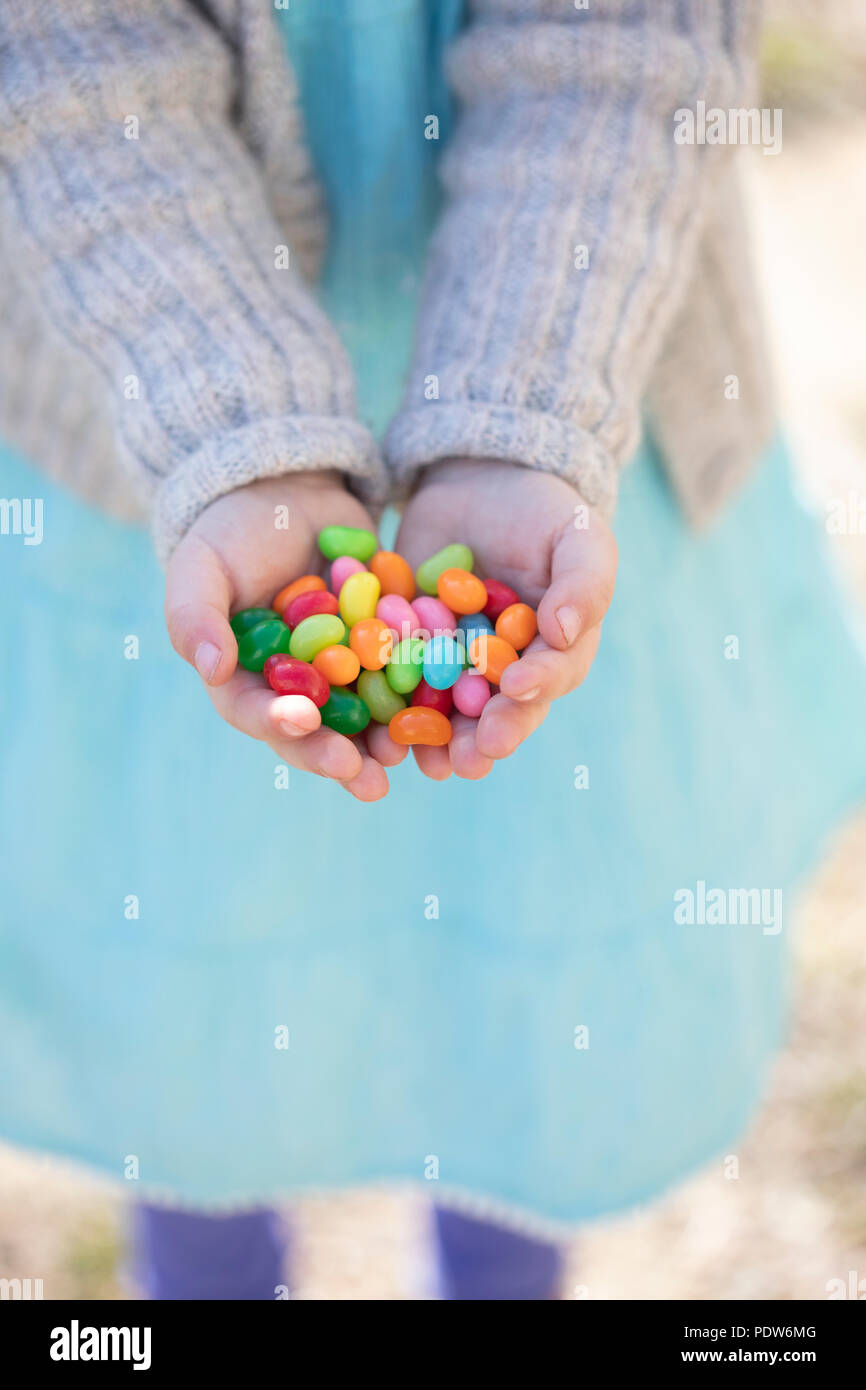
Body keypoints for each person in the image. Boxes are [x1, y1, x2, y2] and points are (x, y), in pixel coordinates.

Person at [1, 0, 864, 1300]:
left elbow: (623, 46)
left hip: (577, 356)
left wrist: (519, 419)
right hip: (146, 394)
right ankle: (204, 1270)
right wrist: (236, 434)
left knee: (520, 938)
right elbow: (62, 59)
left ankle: (502, 1266)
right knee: (181, 951)